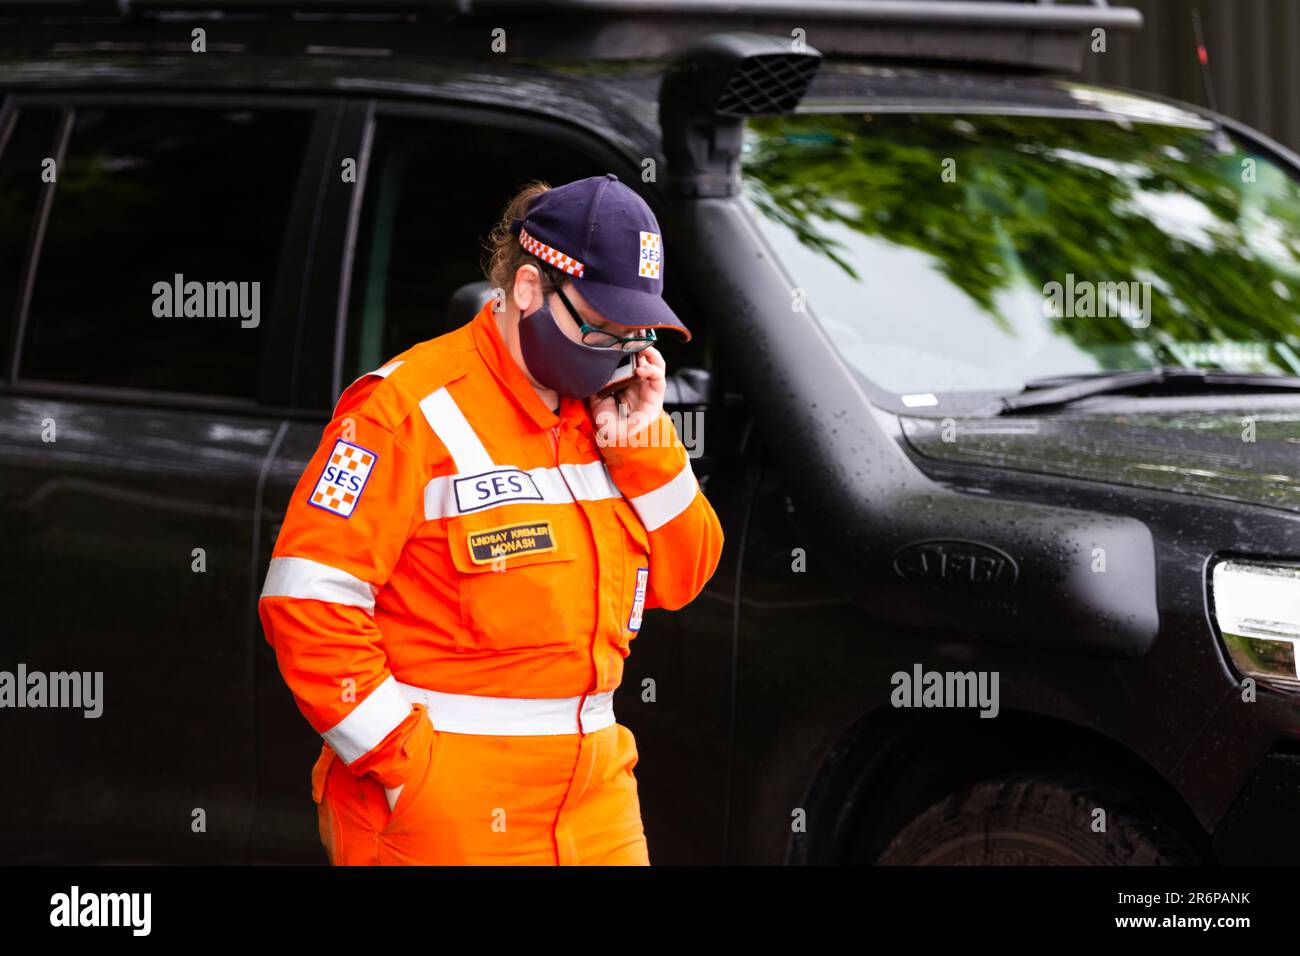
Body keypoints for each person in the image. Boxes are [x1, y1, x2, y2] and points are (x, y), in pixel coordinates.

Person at [258, 172, 724, 865]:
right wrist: (403, 765)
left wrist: (647, 447)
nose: (618, 353)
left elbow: (684, 579)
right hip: (447, 807)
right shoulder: (404, 411)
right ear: (529, 288)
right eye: (602, 328)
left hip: (595, 799)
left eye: (636, 335)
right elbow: (307, 601)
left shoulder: (611, 413)